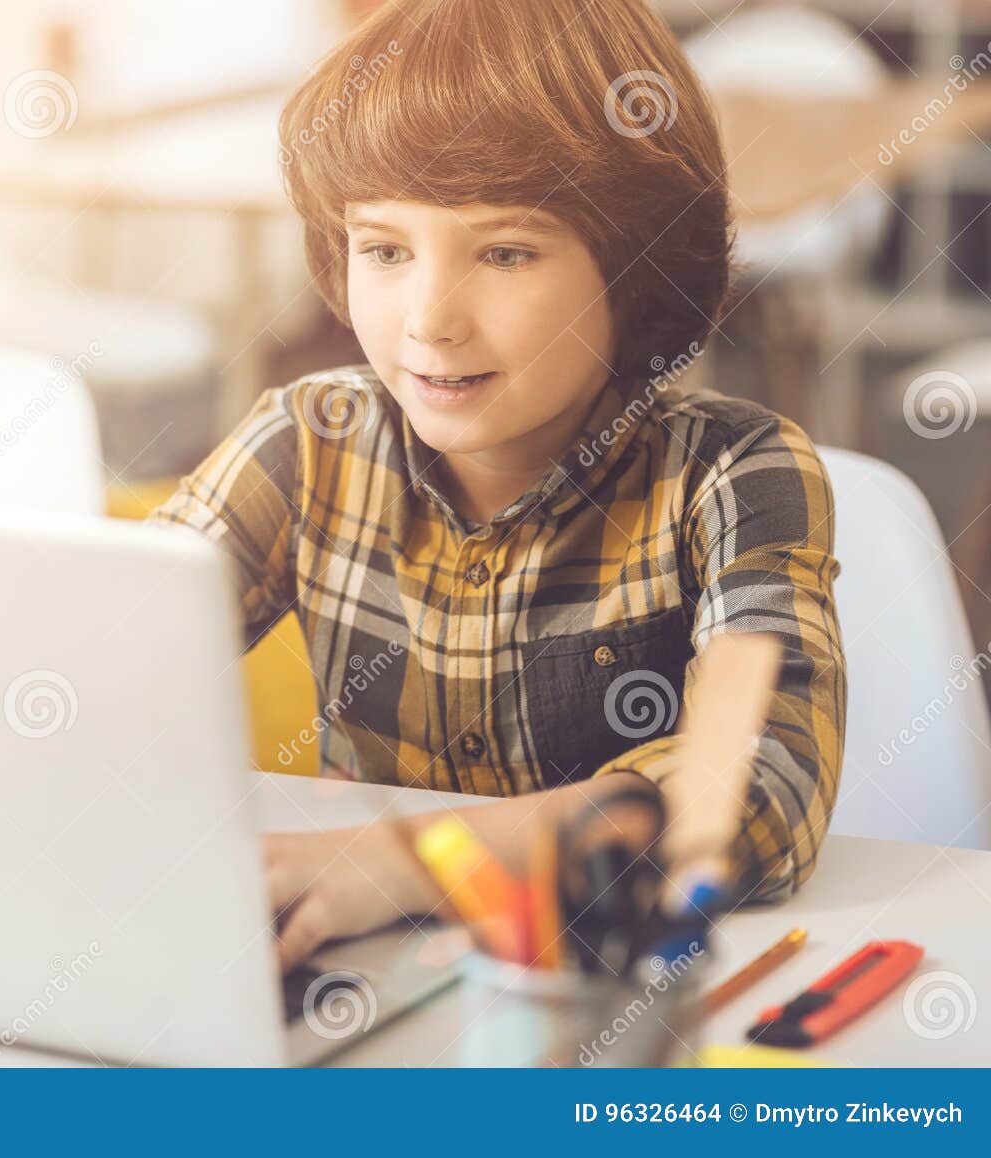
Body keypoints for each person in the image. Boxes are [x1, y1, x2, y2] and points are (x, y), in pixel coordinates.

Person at [146, 0, 846, 971]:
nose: (429, 320)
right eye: (384, 250)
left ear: (635, 267)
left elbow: (759, 790)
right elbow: (100, 668)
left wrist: (410, 863)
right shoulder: (303, 441)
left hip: (612, 1002)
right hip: (373, 972)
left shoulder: (732, 471)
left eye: (505, 252)